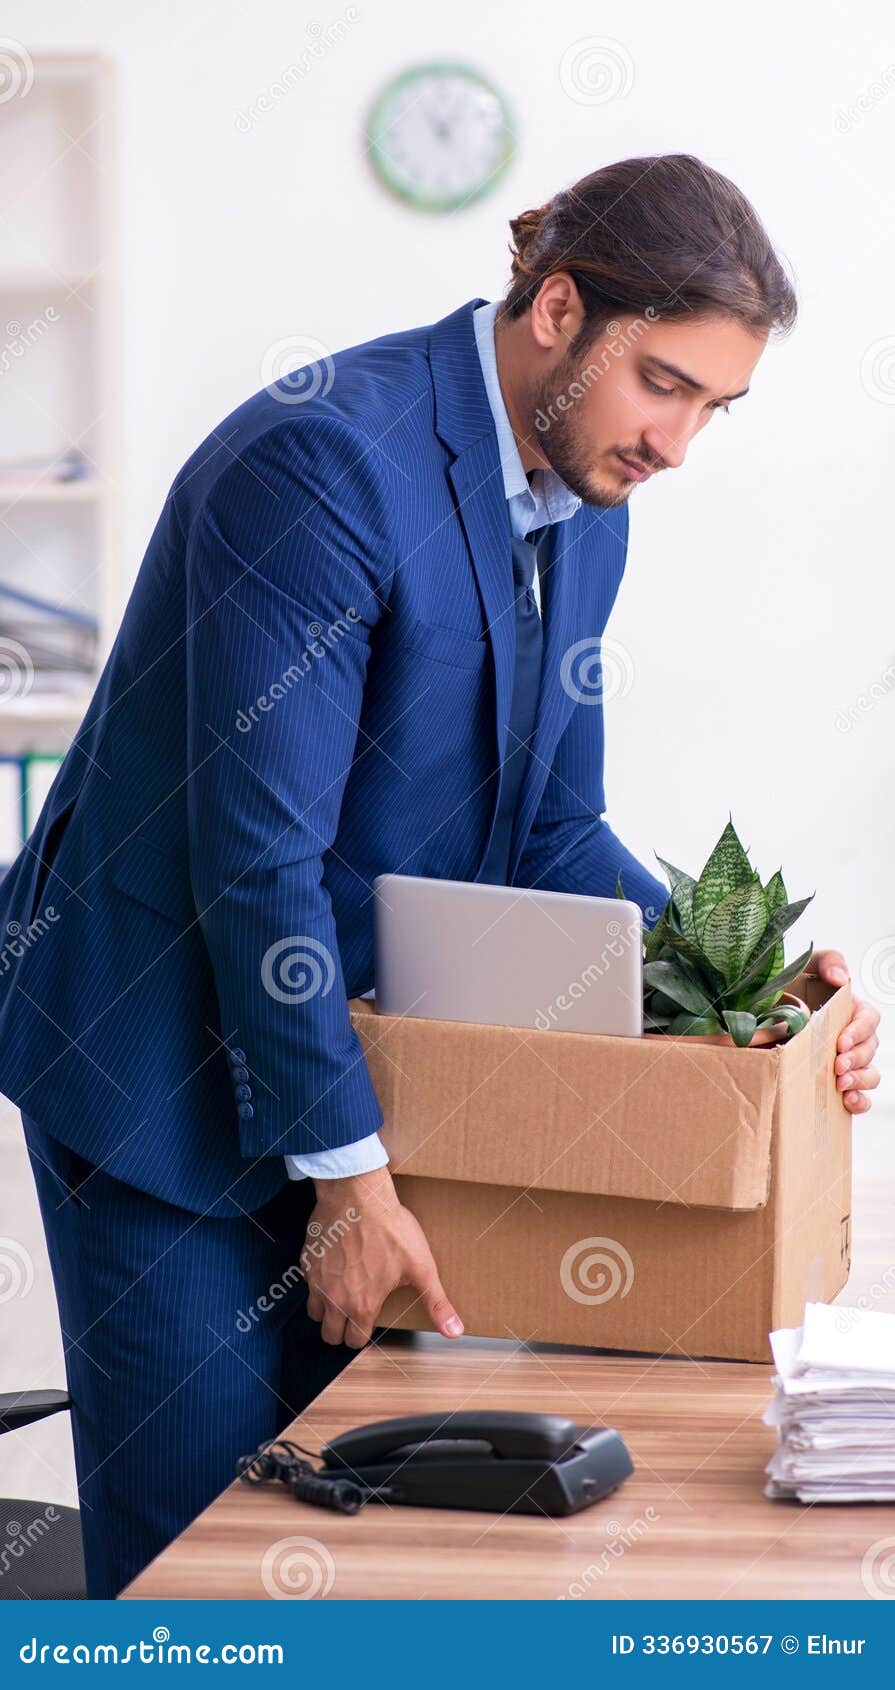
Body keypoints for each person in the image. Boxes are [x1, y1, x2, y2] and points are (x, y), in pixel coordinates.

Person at [0, 153, 880, 1596]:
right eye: (661, 382)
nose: (678, 443)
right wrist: (343, 1175)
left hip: (353, 1057)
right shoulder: (326, 461)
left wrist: (748, 988)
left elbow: (545, 832)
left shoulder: (592, 505)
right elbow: (259, 852)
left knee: (360, 1528)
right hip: (155, 1057)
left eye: (714, 406)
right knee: (203, 1556)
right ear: (556, 307)